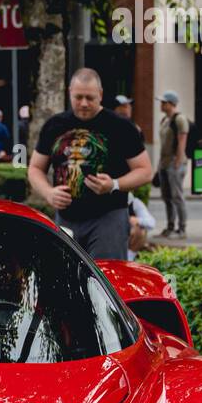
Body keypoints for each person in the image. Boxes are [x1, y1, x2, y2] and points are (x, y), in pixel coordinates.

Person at [28, 67, 153, 262]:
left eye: (90, 98)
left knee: (105, 278)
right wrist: (48, 193)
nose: (84, 103)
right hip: (66, 217)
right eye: (78, 97)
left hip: (108, 217)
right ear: (69, 92)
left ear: (100, 95)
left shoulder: (121, 127)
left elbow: (145, 171)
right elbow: (35, 168)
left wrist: (114, 184)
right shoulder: (54, 125)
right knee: (65, 278)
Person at [156, 90, 189, 238]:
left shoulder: (179, 119)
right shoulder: (164, 120)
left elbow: (182, 140)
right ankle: (170, 226)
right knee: (166, 196)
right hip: (164, 163)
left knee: (177, 196)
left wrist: (178, 161)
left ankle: (182, 229)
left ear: (171, 104)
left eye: (164, 102)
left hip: (175, 163)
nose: (161, 105)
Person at [128, 194, 156, 260]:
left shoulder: (135, 203)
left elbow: (151, 223)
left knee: (140, 230)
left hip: (129, 237)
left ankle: (129, 258)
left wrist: (137, 220)